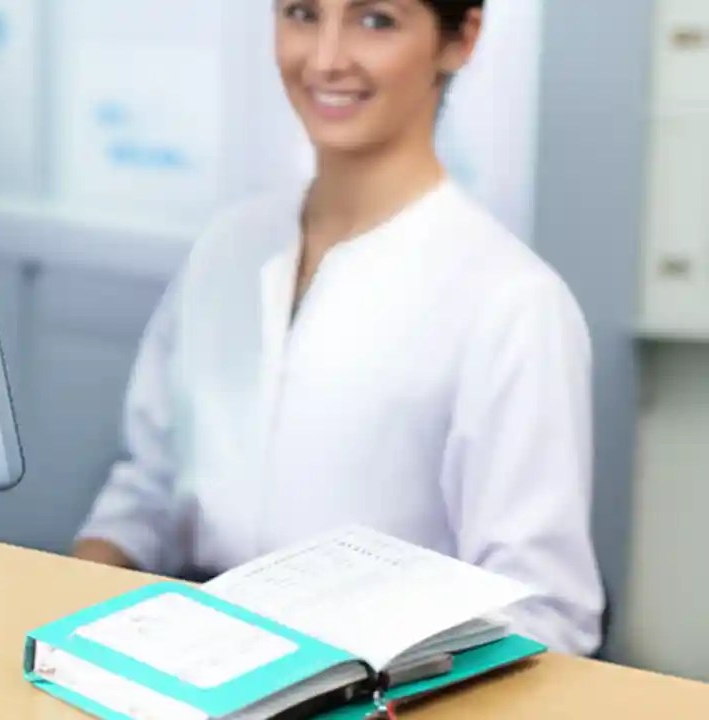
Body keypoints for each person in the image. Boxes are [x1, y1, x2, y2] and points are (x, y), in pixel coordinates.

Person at [72, 0, 605, 656]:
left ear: (460, 37)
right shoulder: (228, 247)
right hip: (190, 665)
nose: (324, 59)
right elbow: (149, 488)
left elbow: (546, 618)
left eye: (375, 20)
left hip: (382, 688)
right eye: (301, 14)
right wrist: (67, 623)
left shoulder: (512, 302)